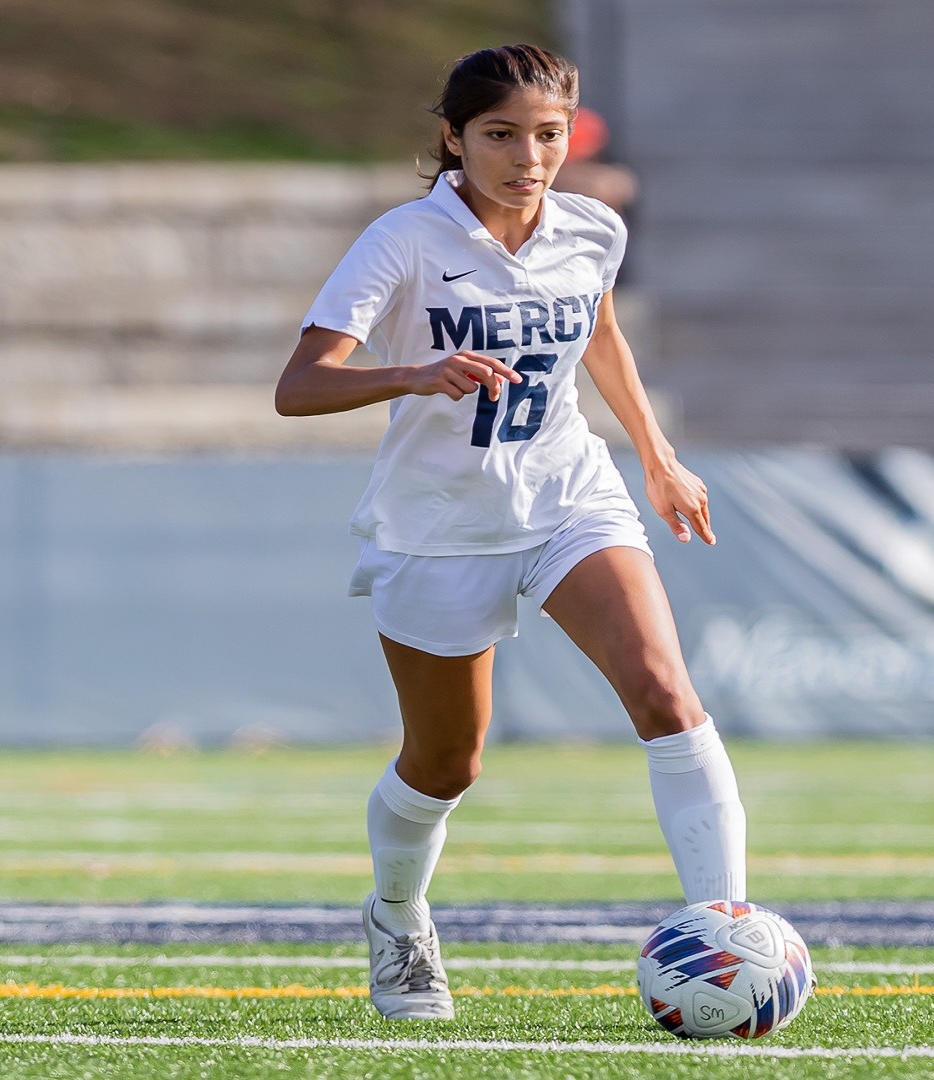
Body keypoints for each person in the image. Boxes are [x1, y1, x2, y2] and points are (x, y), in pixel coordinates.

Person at [275, 43, 746, 1021]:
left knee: (665, 692)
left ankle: (726, 932)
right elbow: (300, 386)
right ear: (453, 139)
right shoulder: (404, 241)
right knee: (449, 761)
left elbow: (599, 331)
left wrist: (656, 457)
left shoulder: (592, 228)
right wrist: (411, 372)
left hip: (569, 493)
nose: (528, 156)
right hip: (440, 525)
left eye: (548, 133)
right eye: (500, 135)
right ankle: (399, 920)